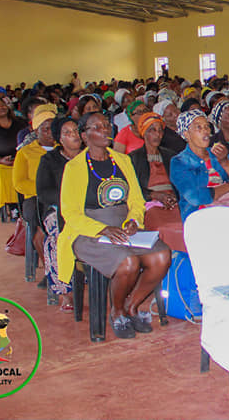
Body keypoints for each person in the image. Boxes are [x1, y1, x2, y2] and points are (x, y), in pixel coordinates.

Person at [58, 112, 172, 339]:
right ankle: (117, 311)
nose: (105, 130)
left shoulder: (122, 160)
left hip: (124, 227)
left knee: (162, 256)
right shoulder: (75, 167)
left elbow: (137, 200)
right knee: (128, 262)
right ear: (84, 135)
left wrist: (133, 220)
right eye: (97, 127)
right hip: (89, 231)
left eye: (106, 125)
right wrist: (103, 229)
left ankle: (132, 305)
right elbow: (70, 213)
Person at [169, 109, 229, 222]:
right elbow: (196, 197)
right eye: (198, 127)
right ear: (186, 134)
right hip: (200, 216)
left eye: (206, 126)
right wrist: (228, 187)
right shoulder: (179, 162)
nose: (205, 131)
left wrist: (224, 162)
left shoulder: (216, 154)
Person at [35, 116, 83, 313]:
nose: (74, 136)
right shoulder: (49, 160)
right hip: (59, 209)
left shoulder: (91, 156)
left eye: (76, 131)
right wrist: (69, 200)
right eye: (68, 133)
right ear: (59, 139)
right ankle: (65, 291)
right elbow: (43, 191)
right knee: (57, 238)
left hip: (91, 207)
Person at [12, 104, 57, 264]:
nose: (50, 133)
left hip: (61, 196)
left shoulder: (63, 149)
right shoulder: (25, 152)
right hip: (35, 198)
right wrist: (44, 190)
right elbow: (19, 183)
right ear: (36, 131)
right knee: (39, 224)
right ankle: (49, 268)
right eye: (45, 129)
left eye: (53, 128)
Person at [129, 112, 180, 231]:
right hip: (149, 203)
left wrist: (174, 196)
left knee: (186, 222)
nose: (158, 134)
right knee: (164, 227)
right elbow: (131, 189)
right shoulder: (133, 158)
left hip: (173, 201)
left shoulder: (170, 156)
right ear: (144, 133)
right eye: (152, 130)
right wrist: (155, 195)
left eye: (160, 130)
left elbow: (180, 182)